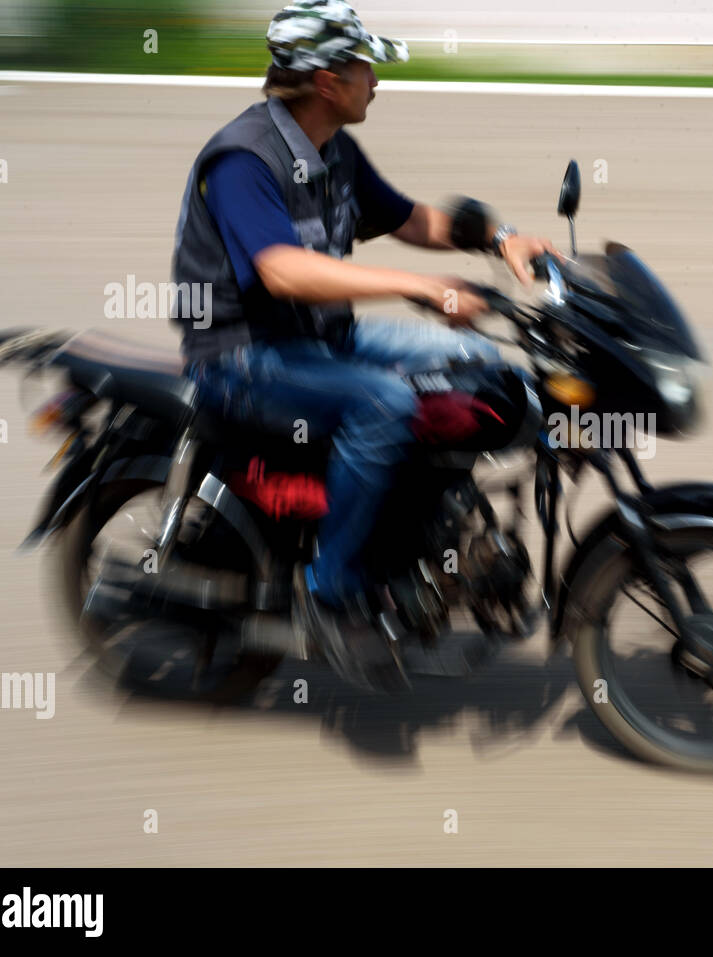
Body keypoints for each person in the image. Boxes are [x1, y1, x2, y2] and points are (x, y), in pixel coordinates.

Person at [169, 0, 557, 680]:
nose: (376, 79)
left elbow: (410, 218)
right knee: (383, 403)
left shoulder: (332, 150)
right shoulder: (243, 160)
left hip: (322, 337)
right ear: (327, 81)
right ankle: (331, 589)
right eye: (364, 66)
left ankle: (425, 529)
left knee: (478, 366)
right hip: (241, 354)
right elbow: (282, 271)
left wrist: (501, 240)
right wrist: (420, 288)